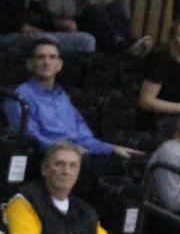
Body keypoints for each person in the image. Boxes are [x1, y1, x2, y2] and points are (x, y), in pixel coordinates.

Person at [8, 39, 143, 162]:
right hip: (48, 159)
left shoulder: (62, 96)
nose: (47, 62)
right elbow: (32, 138)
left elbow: (84, 138)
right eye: (41, 57)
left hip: (76, 155)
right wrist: (69, 151)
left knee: (127, 159)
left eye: (52, 57)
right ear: (30, 64)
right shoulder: (19, 96)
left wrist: (112, 148)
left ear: (59, 65)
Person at [3, 140, 142, 234]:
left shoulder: (84, 209)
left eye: (73, 166)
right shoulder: (24, 201)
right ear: (44, 169)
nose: (66, 171)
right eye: (59, 164)